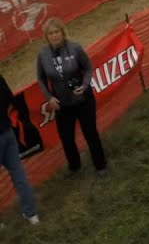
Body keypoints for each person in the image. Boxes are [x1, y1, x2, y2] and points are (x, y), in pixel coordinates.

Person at [35, 19, 109, 175]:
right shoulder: (43, 54)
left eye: (57, 32)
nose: (54, 36)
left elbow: (88, 68)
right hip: (62, 104)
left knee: (90, 133)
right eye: (50, 33)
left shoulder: (75, 48)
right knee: (66, 138)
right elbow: (40, 78)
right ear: (46, 36)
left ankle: (100, 165)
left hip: (83, 100)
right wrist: (49, 97)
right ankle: (74, 166)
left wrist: (85, 85)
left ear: (63, 32)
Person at [1, 74, 39, 226]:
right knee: (19, 175)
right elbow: (9, 98)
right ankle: (32, 214)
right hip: (7, 131)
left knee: (19, 175)